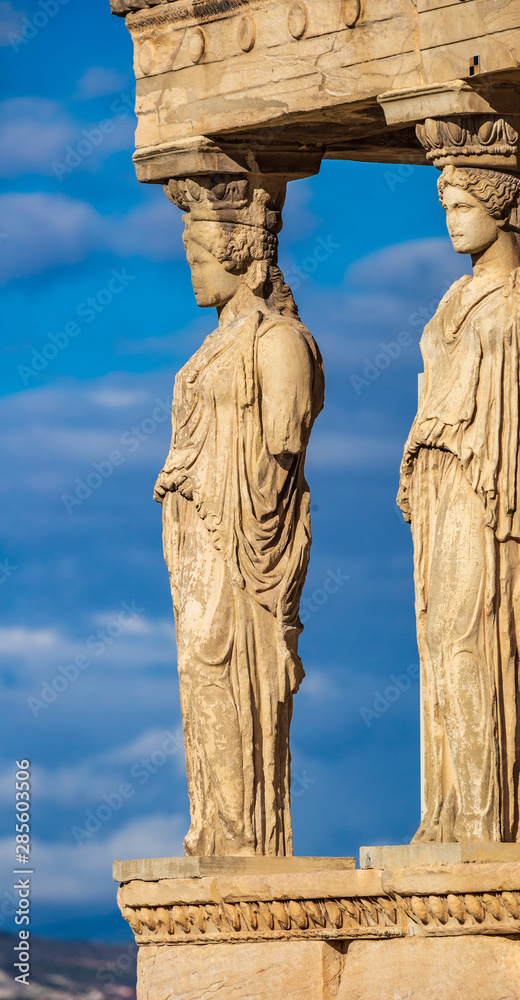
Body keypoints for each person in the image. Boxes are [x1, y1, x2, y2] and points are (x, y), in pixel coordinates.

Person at [398, 164, 520, 843]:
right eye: (444, 205)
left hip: (498, 496)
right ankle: (445, 814)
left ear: (503, 208)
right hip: (442, 487)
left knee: (480, 640)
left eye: (461, 204)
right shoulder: (451, 298)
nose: (450, 218)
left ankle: (487, 821)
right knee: (442, 643)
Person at [155, 174, 324, 856]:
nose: (192, 275)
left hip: (242, 535)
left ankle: (247, 833)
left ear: (239, 257)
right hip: (196, 535)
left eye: (199, 260)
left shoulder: (279, 340)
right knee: (199, 672)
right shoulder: (211, 346)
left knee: (231, 668)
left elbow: (283, 440)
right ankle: (216, 826)